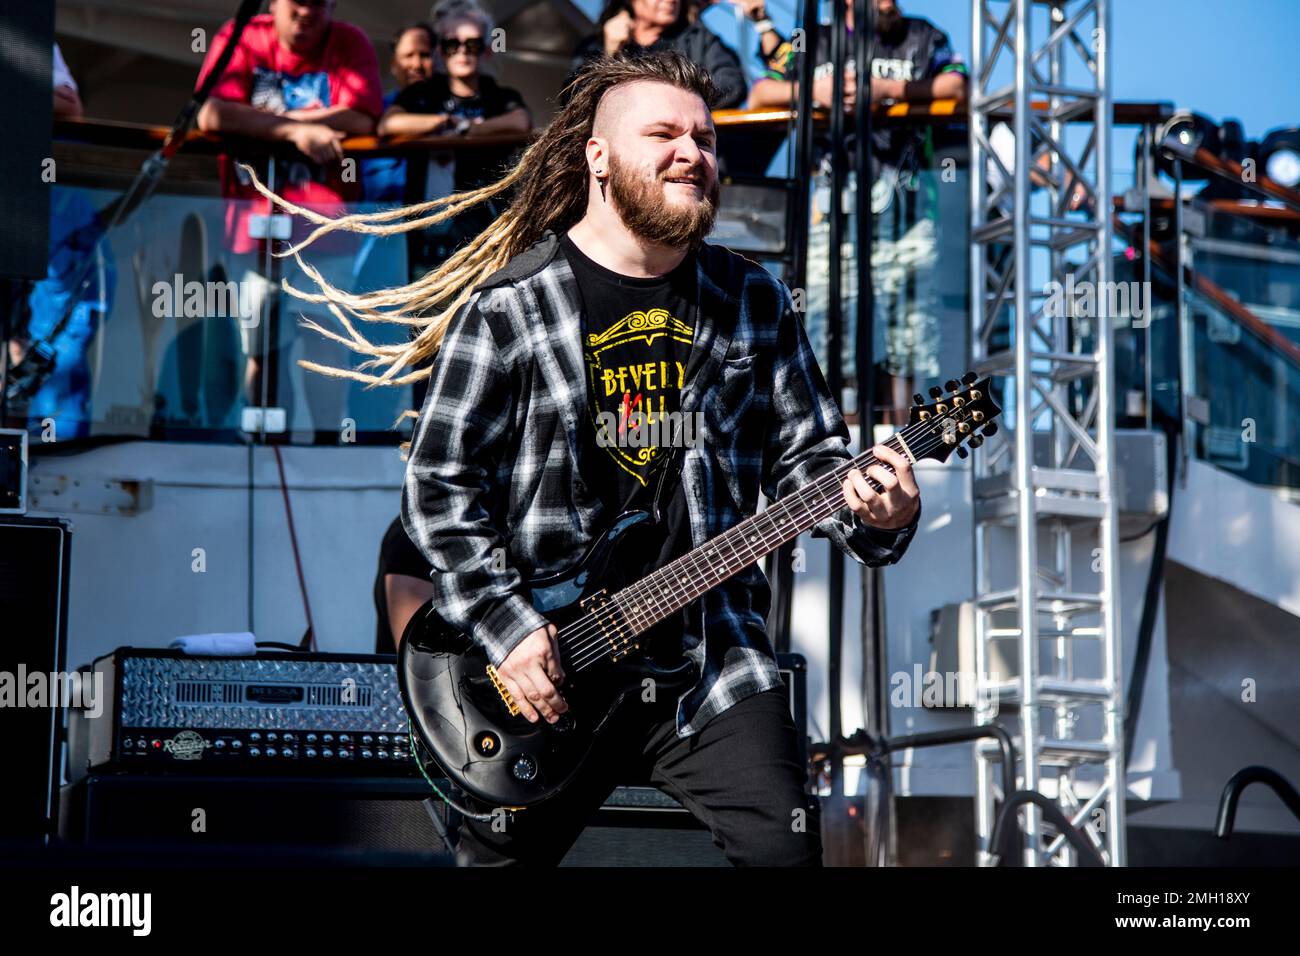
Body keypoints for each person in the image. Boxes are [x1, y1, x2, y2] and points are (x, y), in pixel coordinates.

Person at [240, 53, 922, 867]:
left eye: (703, 138)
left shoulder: (754, 300)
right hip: (548, 672)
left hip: (713, 661)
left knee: (787, 851)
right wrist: (508, 629)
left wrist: (883, 512)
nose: (692, 153)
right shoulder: (509, 309)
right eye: (663, 133)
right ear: (597, 157)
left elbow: (811, 459)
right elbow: (438, 492)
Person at [749, 0, 967, 424]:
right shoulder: (814, 38)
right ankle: (832, 440)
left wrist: (885, 91)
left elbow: (958, 85)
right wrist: (815, 92)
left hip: (906, 207)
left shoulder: (922, 34)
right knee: (831, 323)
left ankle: (909, 437)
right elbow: (762, 92)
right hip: (833, 207)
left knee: (909, 329)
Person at [194, 0, 384, 415]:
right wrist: (298, 130)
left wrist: (263, 122)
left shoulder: (350, 42)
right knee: (259, 349)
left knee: (326, 344)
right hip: (253, 230)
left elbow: (364, 118)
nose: (307, 11)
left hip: (325, 231)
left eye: (318, 3)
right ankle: (264, 448)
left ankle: (326, 454)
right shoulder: (241, 33)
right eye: (296, 2)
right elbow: (210, 115)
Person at [378, 0, 531, 276]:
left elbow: (521, 121)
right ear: (440, 50)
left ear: (486, 50)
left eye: (472, 44)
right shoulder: (423, 94)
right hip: (427, 236)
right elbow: (388, 124)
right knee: (427, 314)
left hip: (488, 232)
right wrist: (442, 122)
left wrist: (466, 130)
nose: (462, 52)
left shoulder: (499, 95)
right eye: (452, 44)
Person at [566, 0, 747, 109]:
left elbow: (732, 85)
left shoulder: (698, 39)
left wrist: (667, 103)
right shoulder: (597, 45)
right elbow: (571, 101)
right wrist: (609, 53)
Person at [362, 22, 437, 204]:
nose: (417, 64)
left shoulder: (450, 107)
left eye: (425, 55)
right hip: (379, 223)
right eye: (408, 56)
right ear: (394, 64)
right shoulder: (373, 111)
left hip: (439, 223)